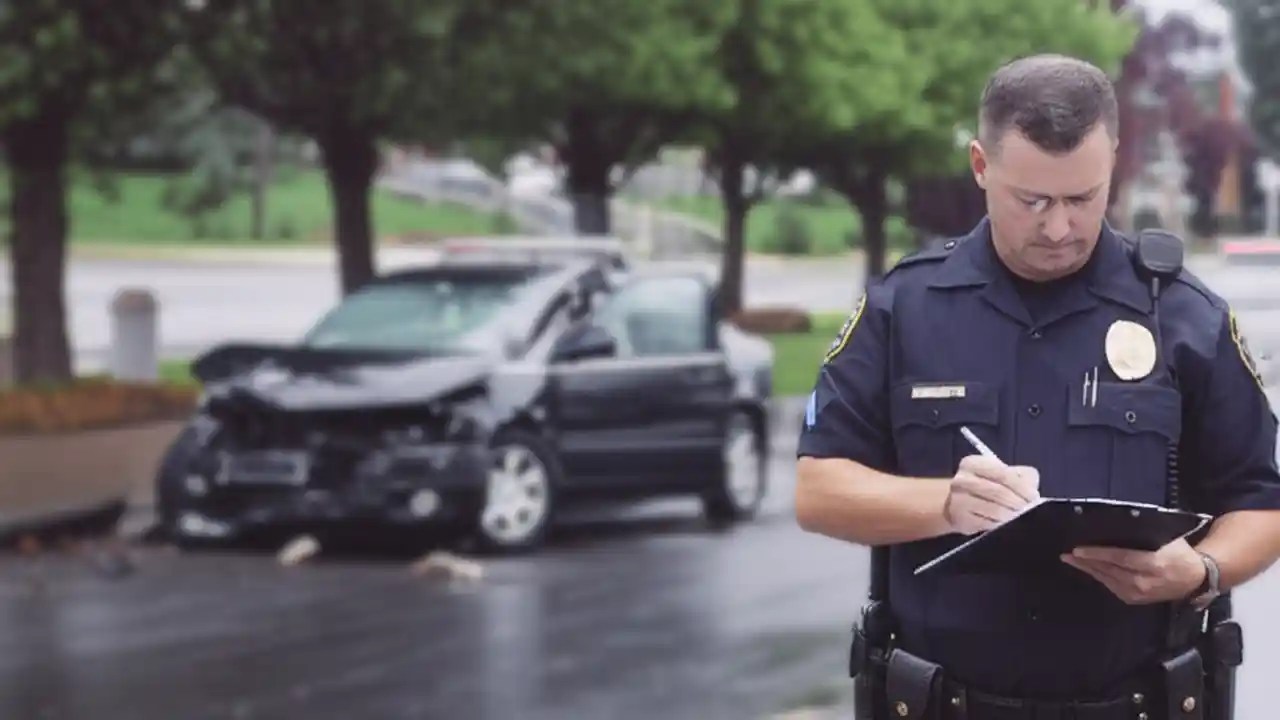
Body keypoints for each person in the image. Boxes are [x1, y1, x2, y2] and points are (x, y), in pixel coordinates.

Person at [795, 53, 1280, 719]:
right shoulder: (902, 308)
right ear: (980, 167)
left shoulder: (1186, 317)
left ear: (1113, 159)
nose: (1059, 228)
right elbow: (818, 490)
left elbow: (1259, 502)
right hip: (942, 703)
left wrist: (1203, 572)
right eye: (1033, 201)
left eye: (1083, 197)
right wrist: (946, 504)